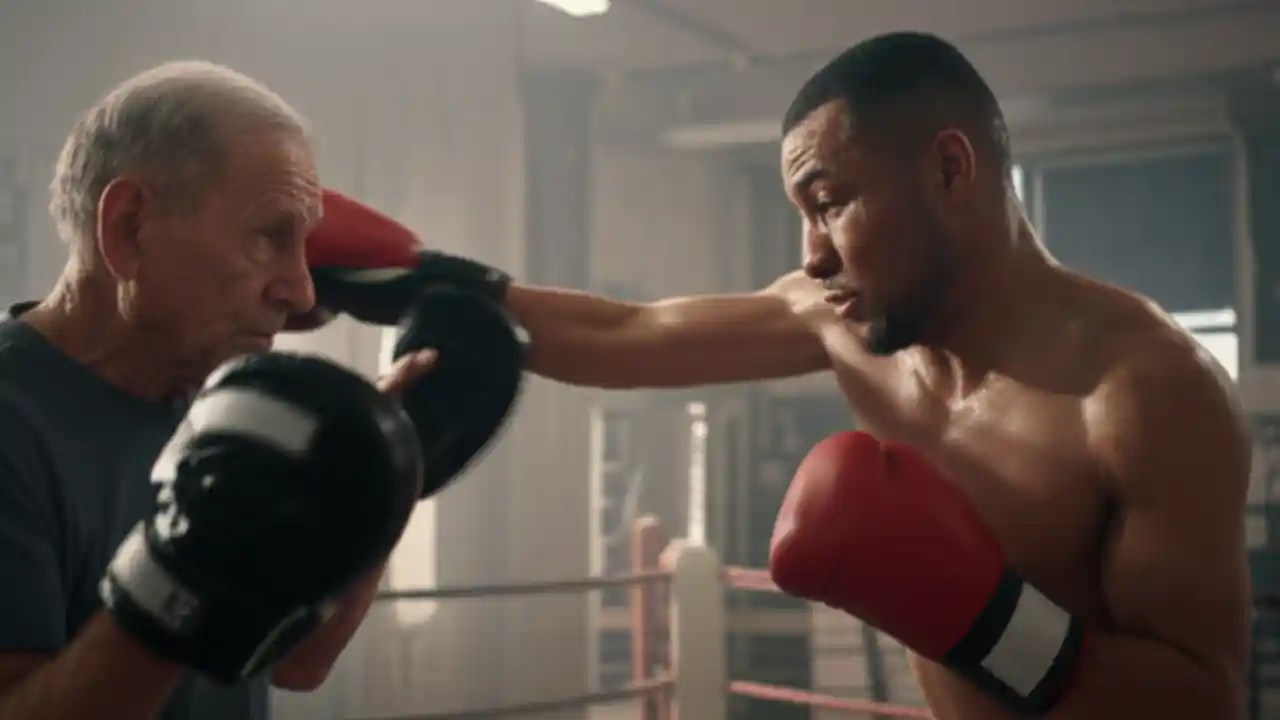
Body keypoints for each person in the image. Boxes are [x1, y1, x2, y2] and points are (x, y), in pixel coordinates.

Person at [307, 31, 1252, 719]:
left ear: (950, 170)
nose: (810, 255)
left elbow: (1203, 700)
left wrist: (981, 614)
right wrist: (408, 281)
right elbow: (632, 331)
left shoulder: (1143, 393)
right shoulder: (839, 321)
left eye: (830, 203)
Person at [0, 61, 439, 720]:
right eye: (269, 236)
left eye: (304, 247)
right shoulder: (13, 422)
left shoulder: (217, 407)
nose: (302, 292)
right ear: (129, 227)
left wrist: (388, 475)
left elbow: (294, 662)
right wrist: (178, 579)